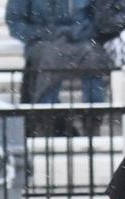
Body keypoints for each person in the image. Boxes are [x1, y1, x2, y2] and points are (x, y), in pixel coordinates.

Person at [6, 0, 111, 136]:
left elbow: (98, 17)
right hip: (42, 43)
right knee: (50, 59)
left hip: (80, 40)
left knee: (93, 58)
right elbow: (15, 23)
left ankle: (92, 120)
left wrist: (81, 31)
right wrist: (43, 33)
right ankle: (49, 122)